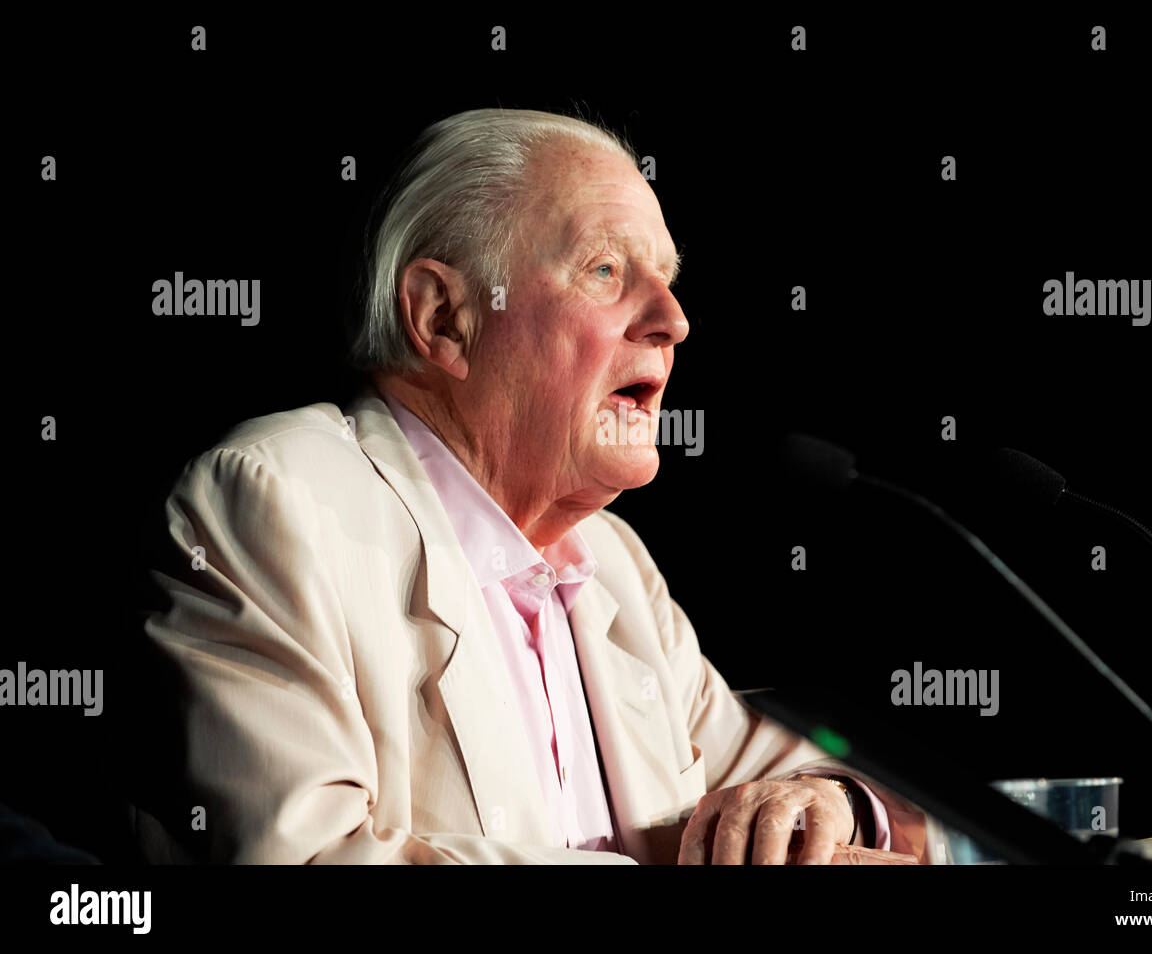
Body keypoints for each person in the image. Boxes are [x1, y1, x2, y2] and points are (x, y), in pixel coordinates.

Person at [133, 108, 946, 865]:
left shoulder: (611, 562)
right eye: (605, 269)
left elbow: (811, 777)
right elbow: (302, 859)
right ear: (445, 315)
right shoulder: (275, 501)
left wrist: (824, 801)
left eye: (666, 278)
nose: (672, 319)